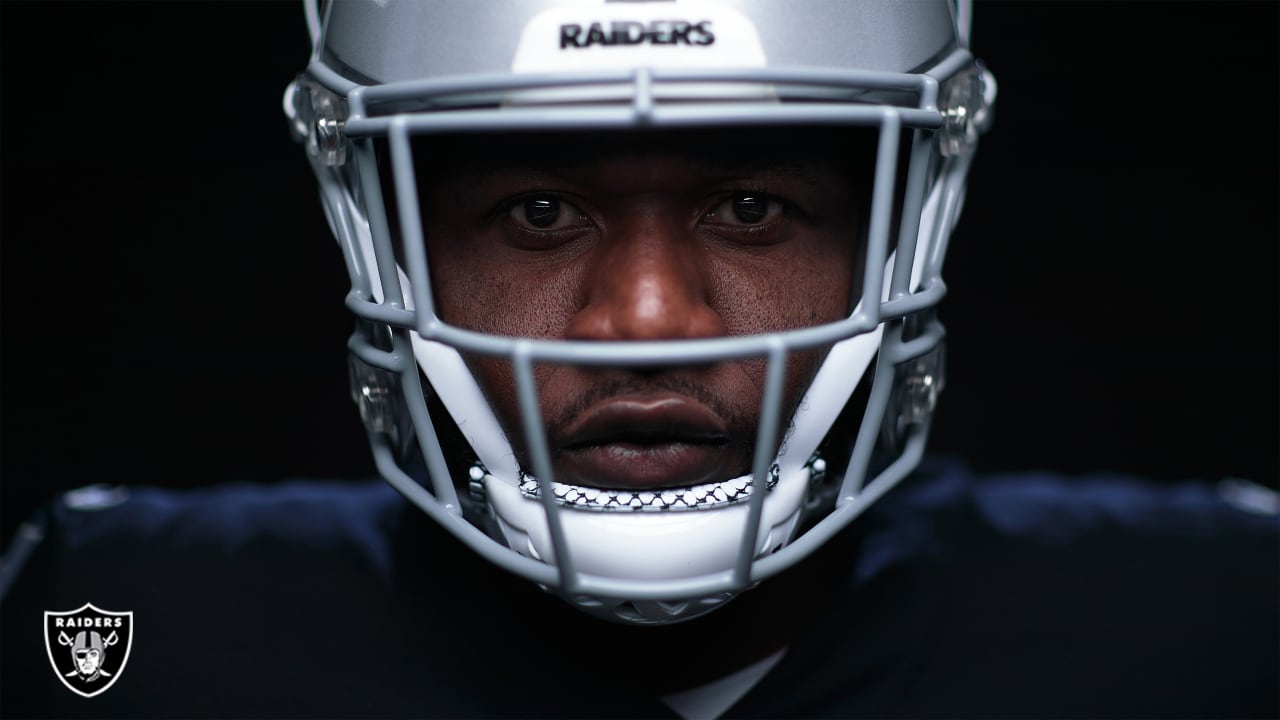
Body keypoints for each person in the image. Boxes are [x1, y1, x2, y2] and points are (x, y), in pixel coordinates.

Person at [1, 2, 1276, 718]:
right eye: (539, 213)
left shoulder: (1214, 622)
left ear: (901, 237)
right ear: (387, 242)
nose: (650, 319)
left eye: (753, 207)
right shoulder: (119, 624)